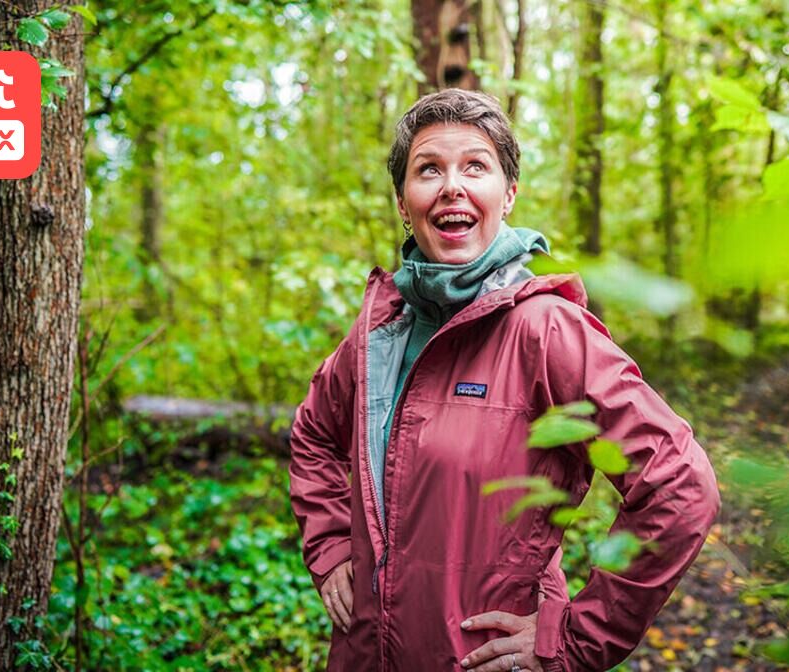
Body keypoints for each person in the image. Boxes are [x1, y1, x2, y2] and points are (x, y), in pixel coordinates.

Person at [288, 88, 720, 672]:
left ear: (508, 193)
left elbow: (681, 486)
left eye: (475, 166)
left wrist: (573, 639)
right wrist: (331, 543)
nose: (451, 187)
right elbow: (313, 434)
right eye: (428, 170)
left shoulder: (545, 331)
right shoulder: (379, 333)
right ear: (402, 200)